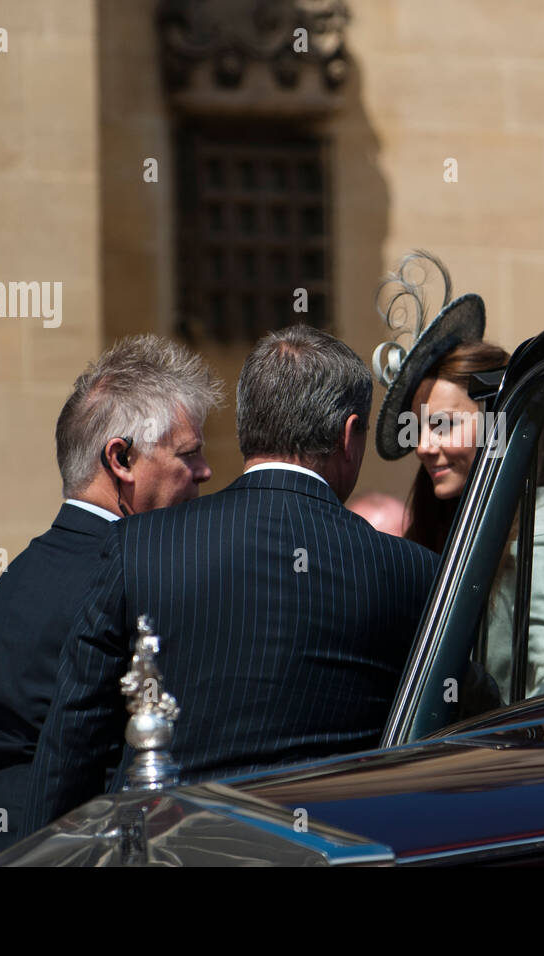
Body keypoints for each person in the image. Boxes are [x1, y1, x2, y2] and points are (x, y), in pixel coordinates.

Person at [22, 325, 439, 836]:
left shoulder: (139, 547)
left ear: (246, 423)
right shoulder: (410, 572)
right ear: (348, 436)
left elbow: (74, 739)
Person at [0, 334, 223, 866]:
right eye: (188, 455)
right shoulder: (131, 580)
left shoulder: (17, 574)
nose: (206, 471)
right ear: (120, 458)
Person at [372, 251, 544, 701]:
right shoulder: (462, 523)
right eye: (419, 427)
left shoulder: (543, 530)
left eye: (443, 424)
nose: (424, 446)